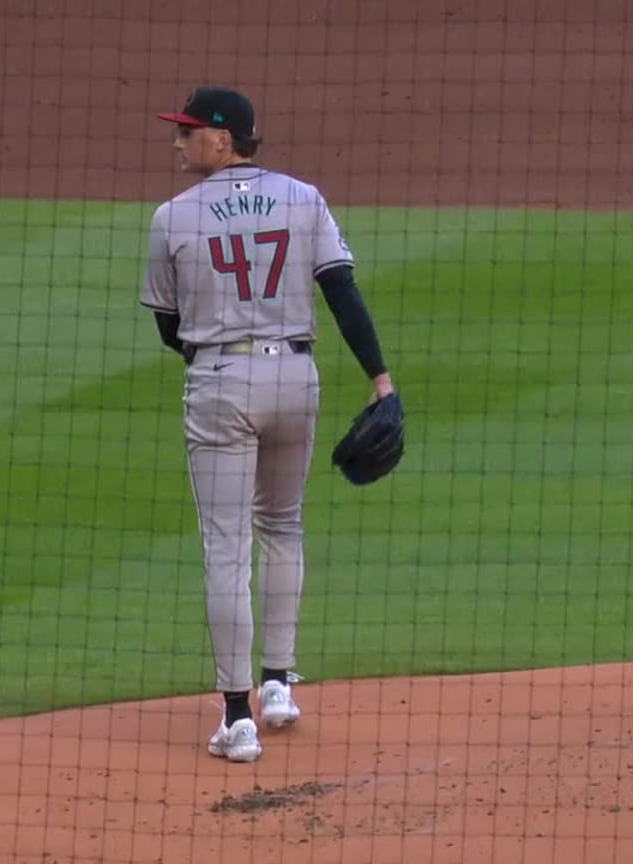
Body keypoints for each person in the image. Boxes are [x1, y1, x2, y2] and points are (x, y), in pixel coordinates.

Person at [141, 86, 396, 763]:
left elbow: (170, 328)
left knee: (226, 545)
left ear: (223, 140)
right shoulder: (302, 196)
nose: (178, 141)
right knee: (282, 523)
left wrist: (220, 349)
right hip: (296, 376)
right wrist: (380, 378)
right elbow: (341, 289)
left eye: (188, 131)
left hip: (221, 380)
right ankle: (278, 684)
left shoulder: (173, 216)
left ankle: (236, 718)